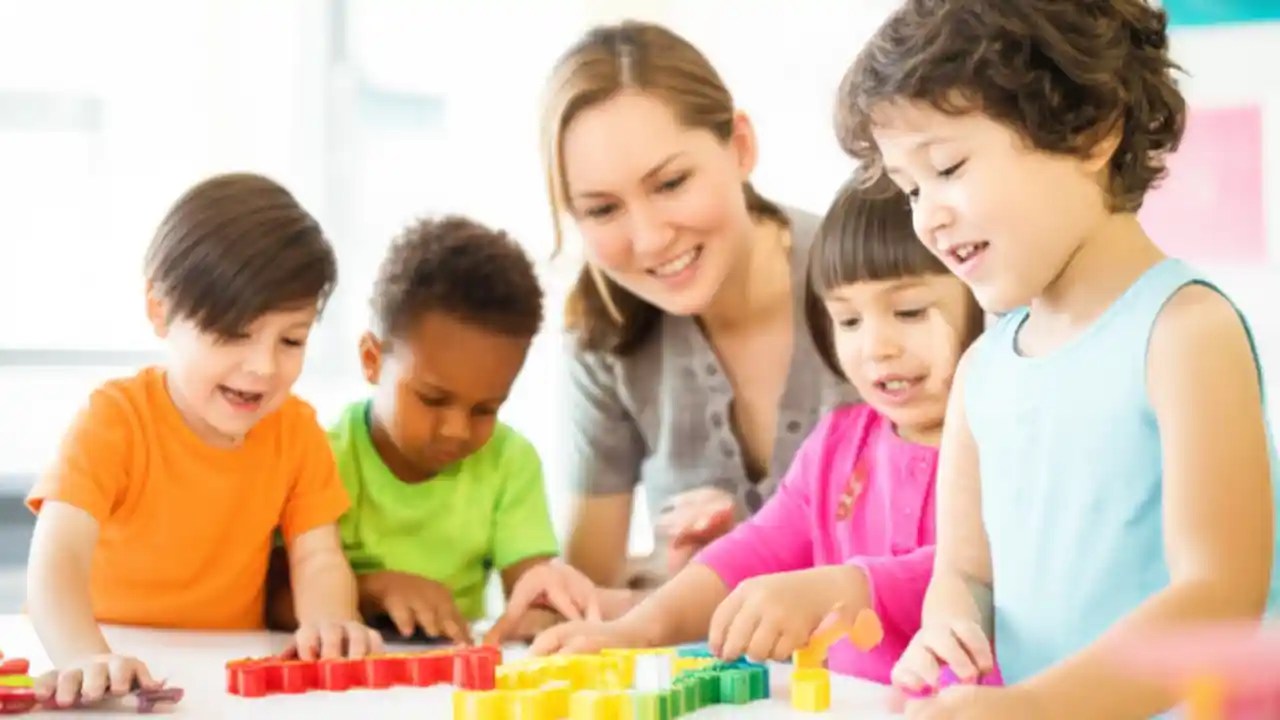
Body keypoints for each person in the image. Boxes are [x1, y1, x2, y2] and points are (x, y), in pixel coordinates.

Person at [837, 1, 1280, 717]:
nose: (927, 215)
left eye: (947, 167)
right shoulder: (982, 372)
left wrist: (1040, 707)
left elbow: (1219, 599)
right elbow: (965, 572)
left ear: (1090, 132)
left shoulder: (1185, 333)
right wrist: (950, 623)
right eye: (911, 188)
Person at [531, 176, 986, 685]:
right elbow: (754, 552)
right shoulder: (838, 447)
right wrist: (637, 630)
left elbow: (989, 570)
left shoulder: (1016, 444)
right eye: (849, 320)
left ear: (988, 300)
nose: (876, 347)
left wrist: (847, 587)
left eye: (908, 312)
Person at [24, 173, 381, 709]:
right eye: (234, 332)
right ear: (160, 311)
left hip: (224, 677)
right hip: (107, 660)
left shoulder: (298, 430)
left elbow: (318, 559)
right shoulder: (116, 419)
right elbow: (58, 555)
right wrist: (82, 654)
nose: (262, 366)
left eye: (292, 339)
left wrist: (329, 622)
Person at [541, 19, 858, 599]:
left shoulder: (873, 277)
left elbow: (961, 550)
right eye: (603, 210)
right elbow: (588, 593)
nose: (650, 237)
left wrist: (757, 558)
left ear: (740, 148)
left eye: (671, 183)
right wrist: (675, 583)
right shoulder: (603, 334)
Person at [266, 216, 616, 646]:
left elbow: (534, 590)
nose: (456, 430)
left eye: (486, 408)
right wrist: (374, 589)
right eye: (432, 399)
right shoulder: (321, 456)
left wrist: (542, 610)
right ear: (372, 360)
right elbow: (274, 601)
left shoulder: (509, 463)